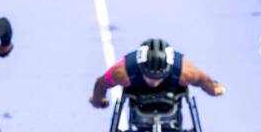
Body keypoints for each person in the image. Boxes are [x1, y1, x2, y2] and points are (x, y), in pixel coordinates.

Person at [89, 38, 224, 109]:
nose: (154, 82)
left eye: (159, 77)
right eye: (150, 77)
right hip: (138, 92)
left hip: (171, 92)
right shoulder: (122, 73)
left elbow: (203, 80)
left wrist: (213, 89)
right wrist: (97, 101)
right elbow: (101, 83)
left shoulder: (186, 72)